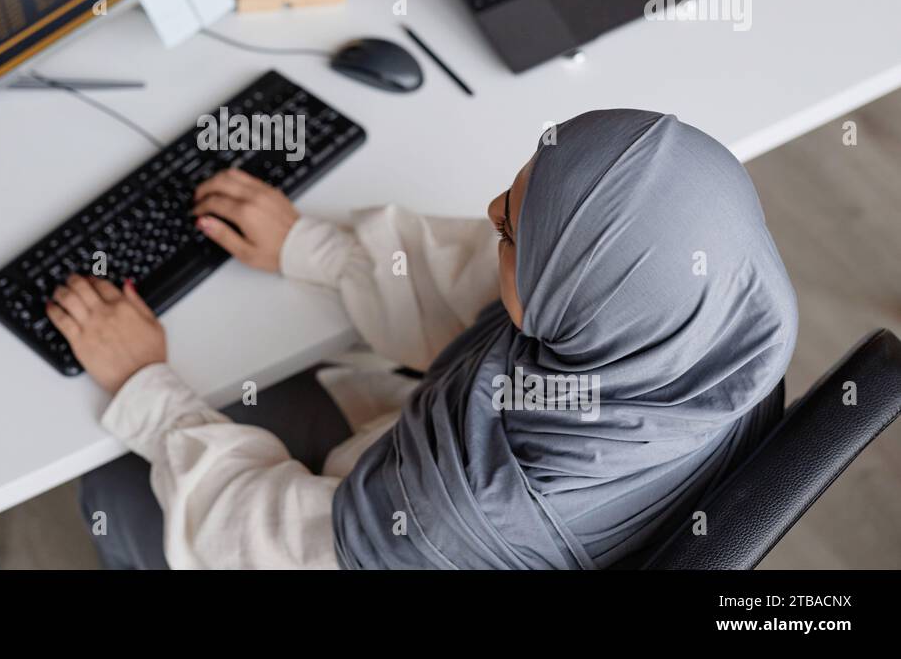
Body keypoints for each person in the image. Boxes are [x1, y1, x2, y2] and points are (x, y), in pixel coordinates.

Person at [50, 109, 797, 569]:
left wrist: (146, 381)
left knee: (112, 485)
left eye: (510, 231)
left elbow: (253, 542)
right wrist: (310, 248)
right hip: (416, 484)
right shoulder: (728, 321)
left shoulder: (451, 517)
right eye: (514, 194)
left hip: (366, 550)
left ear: (576, 307)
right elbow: (483, 286)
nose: (489, 209)